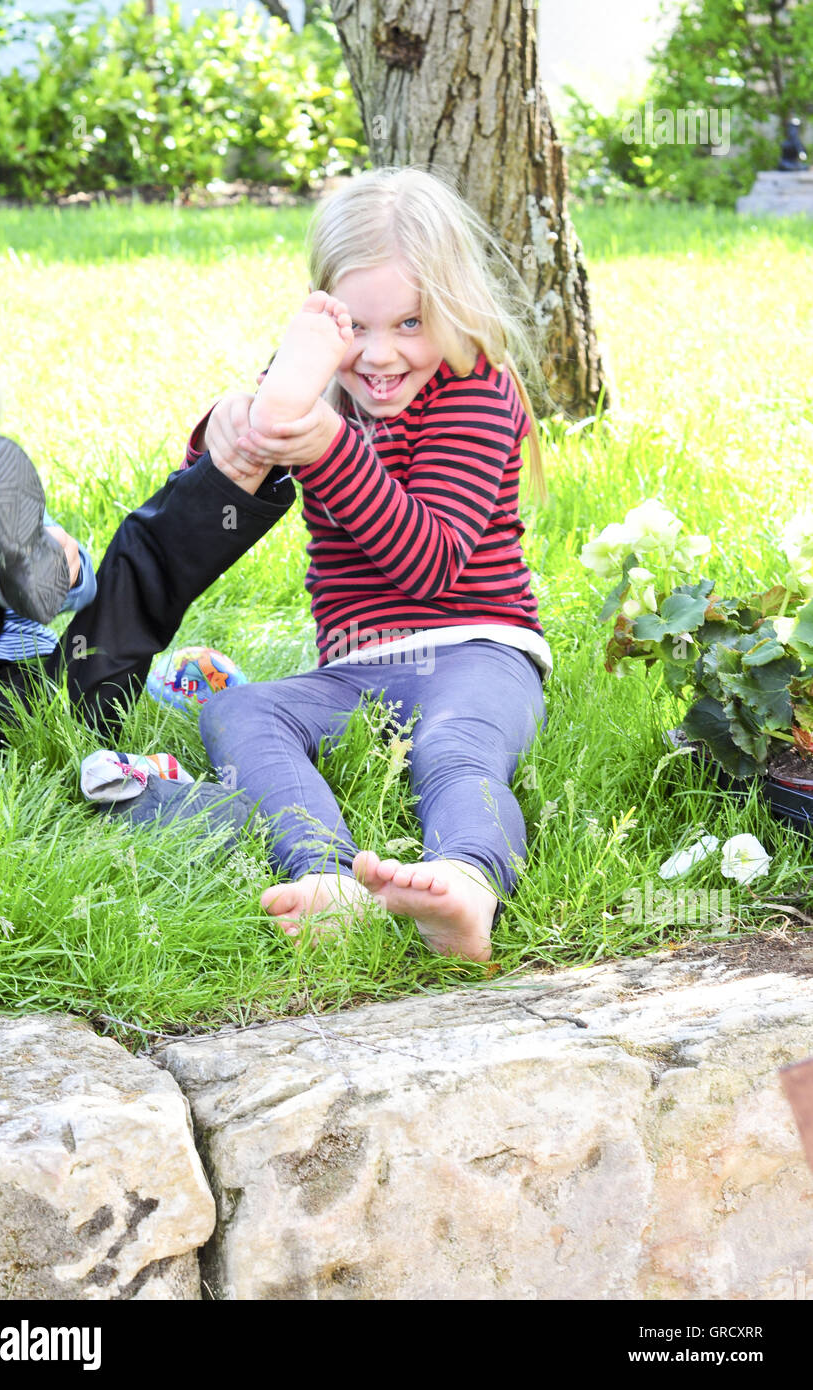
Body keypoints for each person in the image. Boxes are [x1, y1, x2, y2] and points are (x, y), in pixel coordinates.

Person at [195, 167, 553, 963]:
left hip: (478, 650)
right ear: (322, 317)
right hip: (355, 668)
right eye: (356, 326)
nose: (381, 354)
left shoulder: (474, 392)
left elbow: (429, 564)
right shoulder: (323, 386)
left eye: (412, 322)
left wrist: (328, 447)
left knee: (453, 750)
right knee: (238, 711)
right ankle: (323, 877)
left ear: (455, 307)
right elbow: (225, 485)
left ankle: (464, 886)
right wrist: (230, 424)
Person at [0, 322, 296, 765]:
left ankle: (241, 467)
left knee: (136, 562)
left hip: (43, 694)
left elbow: (81, 594)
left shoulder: (0, 506)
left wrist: (63, 567)